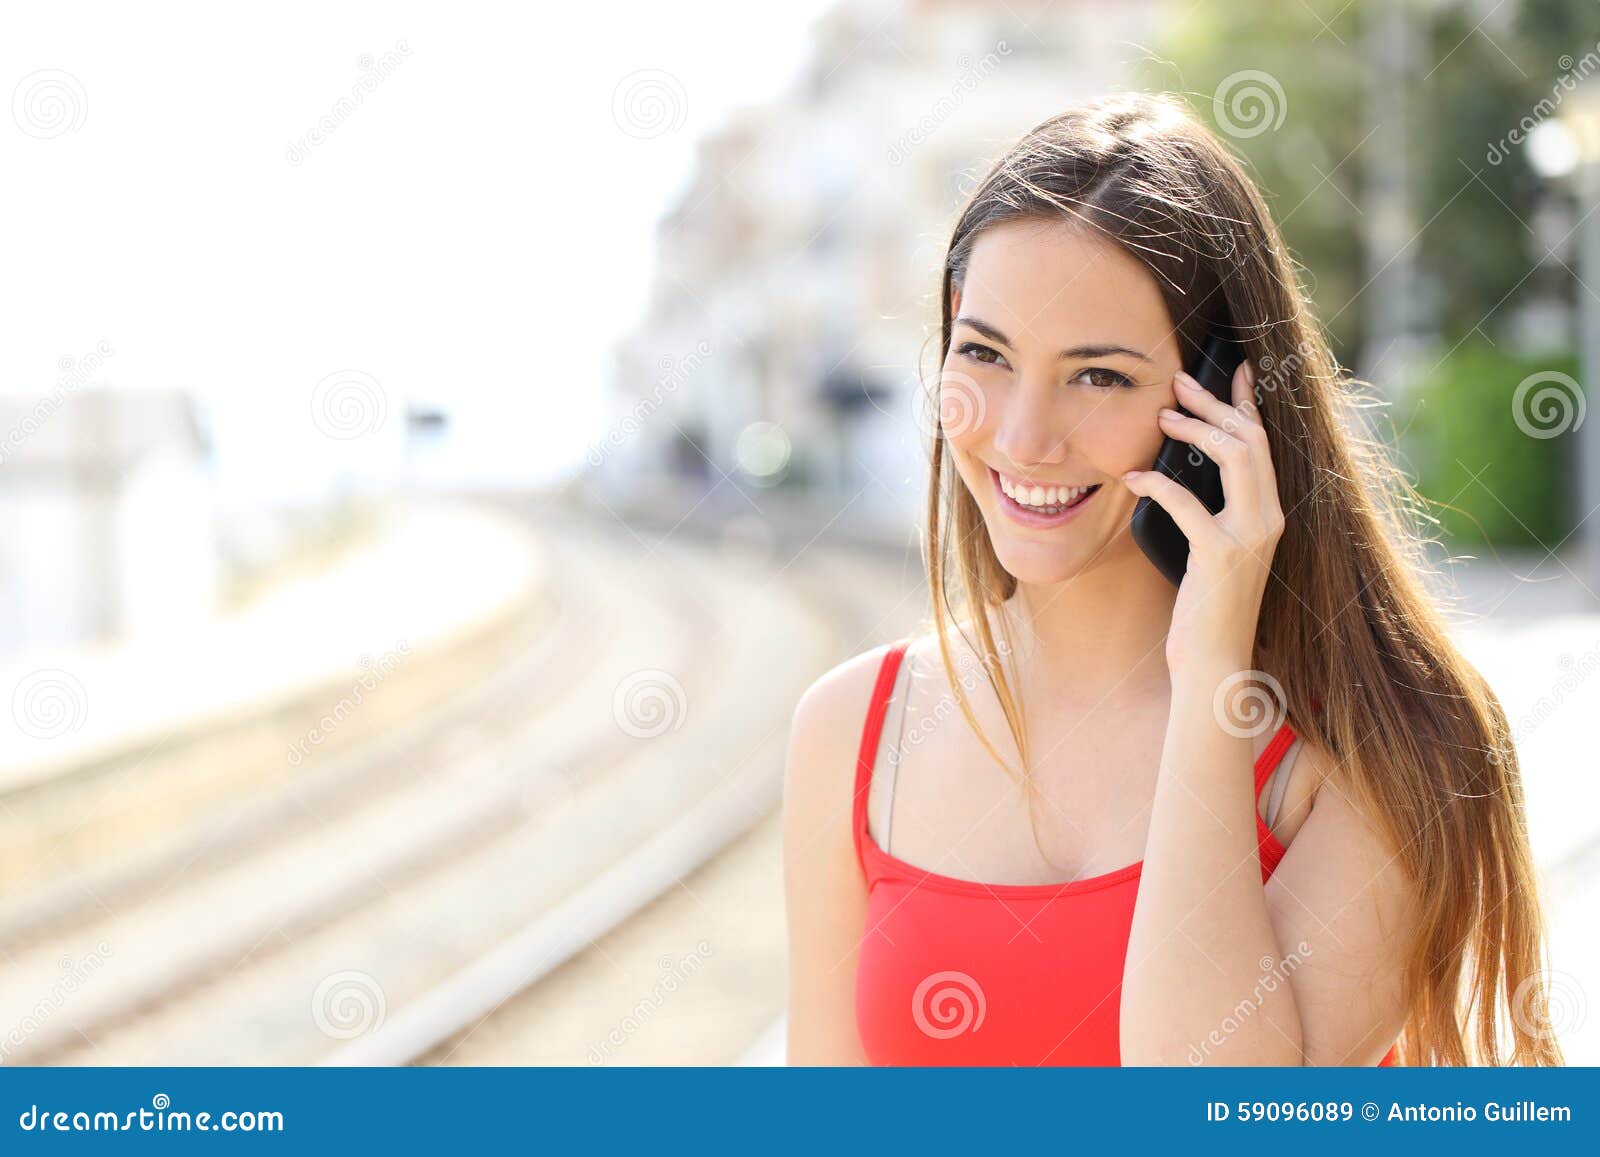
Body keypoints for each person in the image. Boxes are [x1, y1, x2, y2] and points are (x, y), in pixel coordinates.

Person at [781, 92, 1563, 1067]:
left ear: (1225, 398)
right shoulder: (850, 727)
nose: (1022, 435)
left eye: (1097, 374)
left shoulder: (1387, 740)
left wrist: (1209, 680)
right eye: (984, 353)